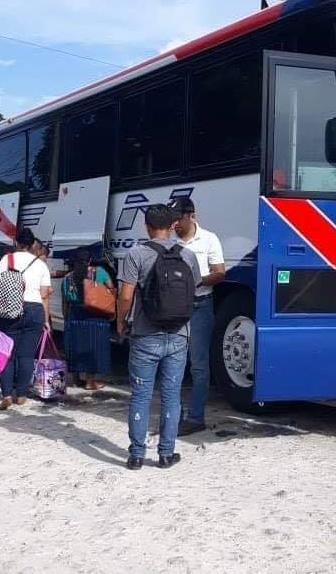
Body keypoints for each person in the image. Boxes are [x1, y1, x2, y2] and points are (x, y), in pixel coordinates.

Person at [116, 204, 201, 470]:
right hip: (178, 335)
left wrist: (121, 321)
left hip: (145, 335)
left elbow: (126, 295)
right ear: (172, 225)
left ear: (147, 226)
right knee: (171, 395)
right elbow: (194, 292)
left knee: (140, 395)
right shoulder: (187, 255)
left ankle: (137, 455)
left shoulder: (136, 255)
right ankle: (166, 454)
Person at [168, 197, 225, 435]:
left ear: (191, 215)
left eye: (178, 219)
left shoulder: (209, 239)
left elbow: (219, 272)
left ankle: (195, 417)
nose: (175, 225)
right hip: (174, 308)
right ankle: (173, 418)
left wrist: (196, 282)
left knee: (199, 365)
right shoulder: (169, 242)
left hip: (200, 305)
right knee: (173, 364)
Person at [0, 227, 52, 410]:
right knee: (26, 355)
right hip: (34, 311)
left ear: (16, 242)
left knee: (6, 354)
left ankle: (7, 394)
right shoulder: (41, 265)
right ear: (33, 244)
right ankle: (22, 395)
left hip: (9, 310)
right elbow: (44, 295)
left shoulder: (6, 260)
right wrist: (46, 320)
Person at [62, 248, 115, 390]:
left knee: (75, 345)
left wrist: (66, 318)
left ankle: (75, 379)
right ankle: (90, 382)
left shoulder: (68, 278)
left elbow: (65, 302)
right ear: (90, 260)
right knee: (92, 346)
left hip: (75, 314)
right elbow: (111, 288)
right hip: (95, 314)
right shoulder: (100, 272)